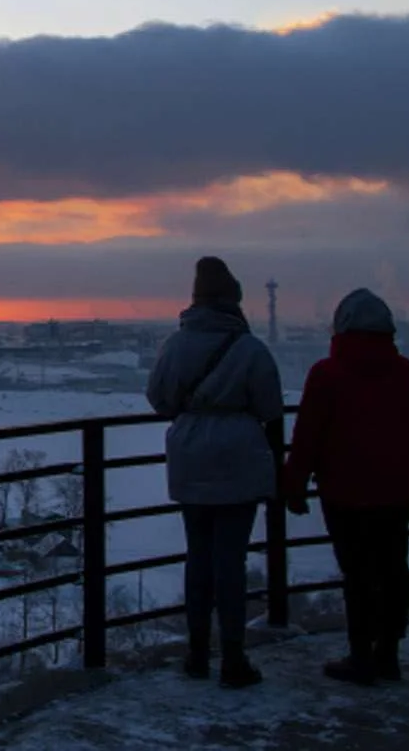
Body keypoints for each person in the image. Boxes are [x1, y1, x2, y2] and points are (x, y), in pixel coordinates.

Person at [147, 256, 284, 689]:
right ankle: (234, 657)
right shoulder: (250, 349)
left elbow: (159, 398)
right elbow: (271, 407)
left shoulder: (174, 345)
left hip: (190, 458)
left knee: (197, 558)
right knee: (231, 561)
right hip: (240, 462)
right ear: (235, 302)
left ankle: (196, 653)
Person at [282, 288, 409, 686]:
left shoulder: (327, 374)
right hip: (396, 490)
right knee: (394, 568)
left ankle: (361, 655)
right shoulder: (405, 372)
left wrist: (293, 485)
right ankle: (389, 653)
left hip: (344, 491)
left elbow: (308, 435)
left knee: (358, 574)